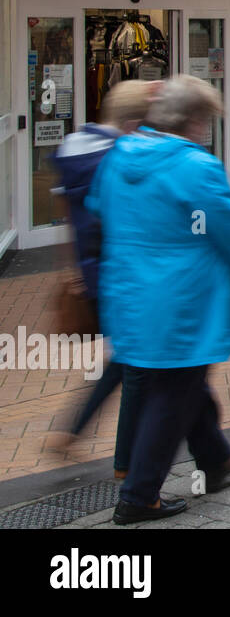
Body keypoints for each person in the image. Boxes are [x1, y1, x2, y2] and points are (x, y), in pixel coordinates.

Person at [89, 76, 230, 525]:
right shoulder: (194, 166)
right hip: (183, 300)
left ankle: (216, 460)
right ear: (195, 120)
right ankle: (139, 496)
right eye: (207, 120)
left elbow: (100, 211)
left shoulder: (119, 157)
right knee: (174, 390)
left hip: (131, 295)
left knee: (180, 382)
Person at [49, 81, 157, 475]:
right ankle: (125, 462)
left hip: (91, 270)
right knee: (134, 364)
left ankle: (77, 432)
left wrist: (73, 268)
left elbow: (67, 217)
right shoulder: (119, 157)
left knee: (126, 360)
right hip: (124, 272)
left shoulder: (73, 146)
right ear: (132, 122)